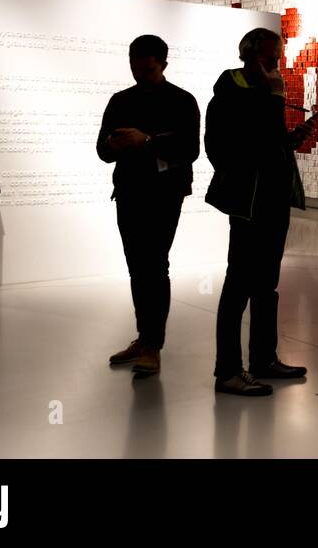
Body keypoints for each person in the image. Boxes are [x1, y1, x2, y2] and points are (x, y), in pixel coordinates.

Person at [205, 27, 315, 397]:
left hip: (272, 201)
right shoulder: (231, 93)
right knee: (238, 286)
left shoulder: (265, 93)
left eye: (278, 58)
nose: (276, 65)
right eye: (270, 58)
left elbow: (270, 142)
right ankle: (228, 372)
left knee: (266, 285)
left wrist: (292, 139)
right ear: (249, 55)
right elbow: (222, 148)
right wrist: (273, 99)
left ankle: (264, 358)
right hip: (248, 204)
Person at [96, 34, 200, 377]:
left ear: (164, 65)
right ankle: (145, 338)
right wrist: (114, 144)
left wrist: (147, 140)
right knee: (137, 267)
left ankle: (153, 344)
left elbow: (190, 149)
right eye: (135, 67)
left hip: (164, 194)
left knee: (155, 265)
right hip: (129, 191)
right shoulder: (120, 100)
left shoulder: (183, 101)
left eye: (148, 68)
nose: (139, 74)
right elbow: (101, 151)